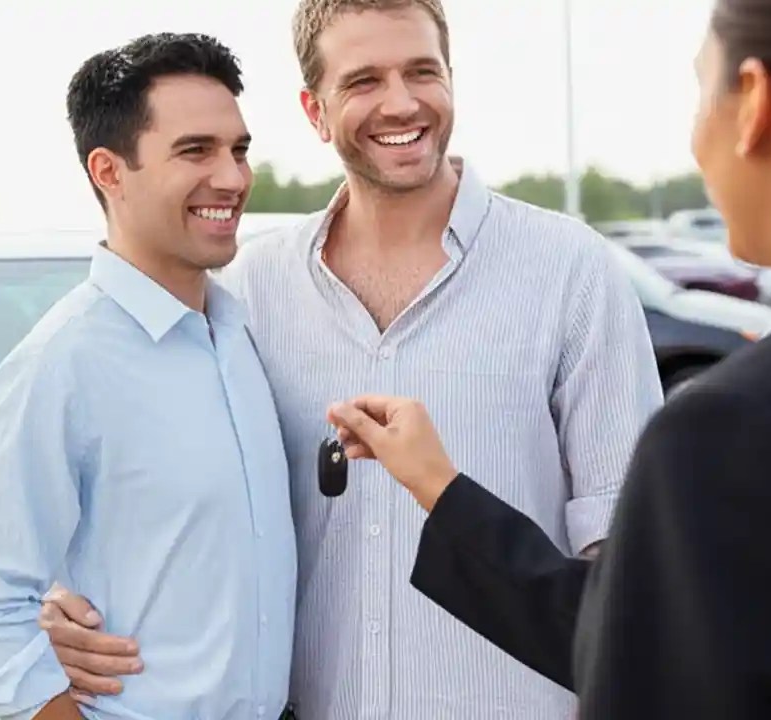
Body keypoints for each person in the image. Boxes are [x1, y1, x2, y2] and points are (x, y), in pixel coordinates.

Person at [37, 1, 664, 717]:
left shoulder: (571, 270)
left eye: (422, 72)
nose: (401, 103)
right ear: (316, 111)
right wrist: (65, 600)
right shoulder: (247, 291)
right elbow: (160, 495)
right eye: (365, 80)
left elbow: (629, 549)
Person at [326, 0, 771, 714]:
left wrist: (441, 490)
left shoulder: (731, 426)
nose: (695, 138)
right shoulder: (256, 288)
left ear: (753, 101)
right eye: (364, 79)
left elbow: (638, 646)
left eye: (701, 90)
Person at [0, 33, 298, 720]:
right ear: (109, 171)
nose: (233, 178)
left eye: (239, 149)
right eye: (196, 151)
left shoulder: (246, 333)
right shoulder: (61, 365)